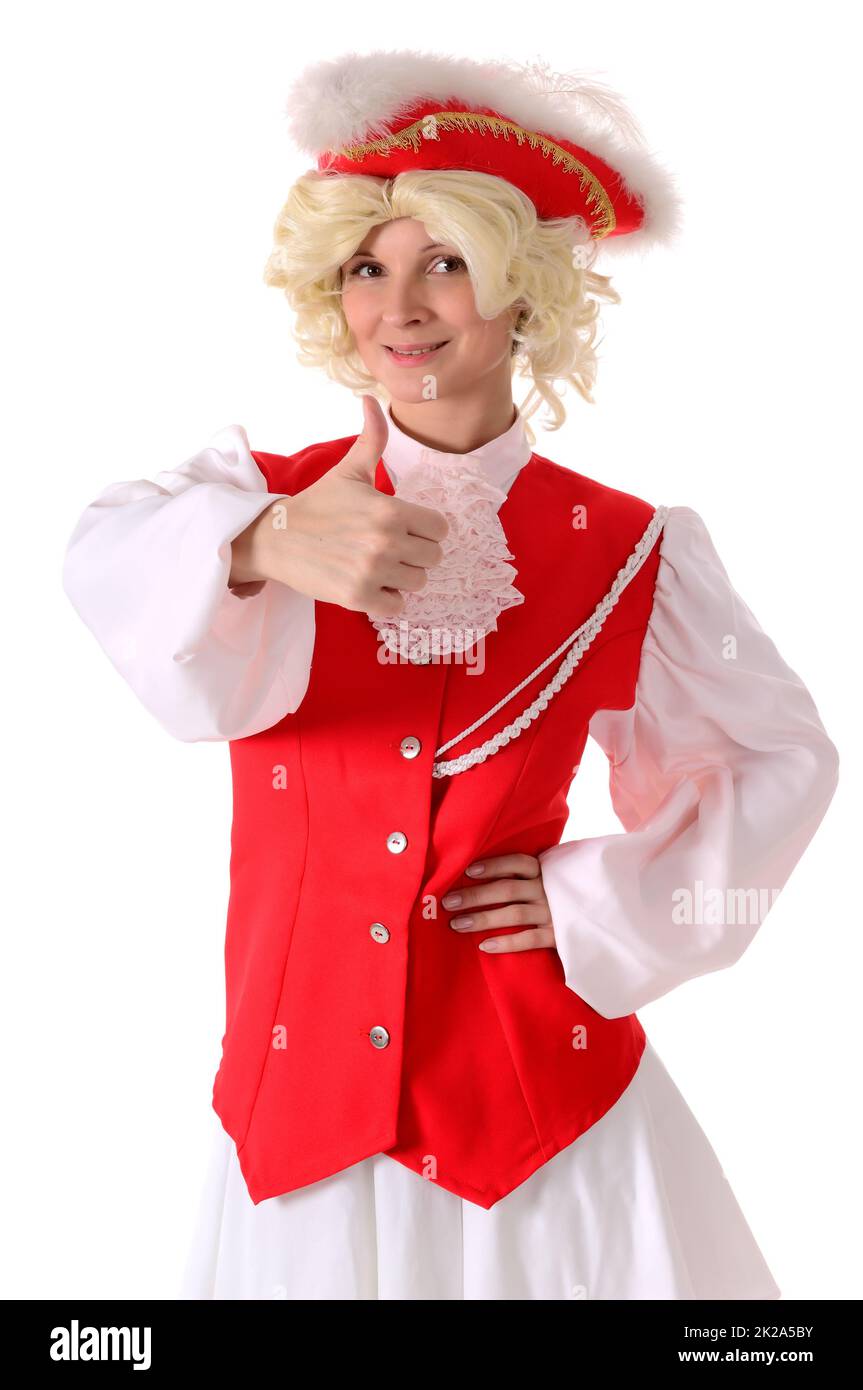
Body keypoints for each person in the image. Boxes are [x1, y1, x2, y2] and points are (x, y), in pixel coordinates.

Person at [61, 50, 840, 1300]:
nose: (401, 305)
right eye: (367, 266)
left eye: (444, 262)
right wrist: (259, 545)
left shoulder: (630, 549)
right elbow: (102, 563)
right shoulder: (248, 505)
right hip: (293, 1126)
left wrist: (599, 900)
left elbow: (780, 761)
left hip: (540, 1127)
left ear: (520, 291)